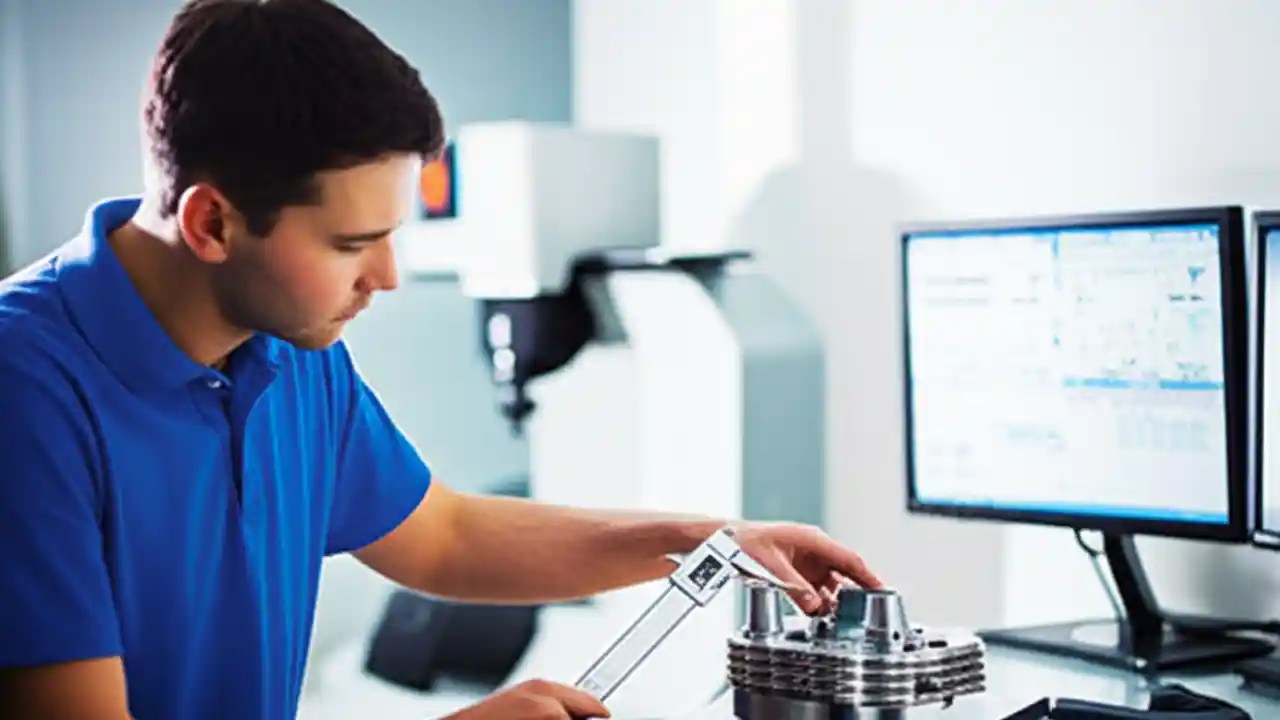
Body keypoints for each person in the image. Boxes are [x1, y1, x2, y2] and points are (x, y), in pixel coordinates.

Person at [0, 1, 883, 718]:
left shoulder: (285, 347)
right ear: (211, 223)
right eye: (356, 243)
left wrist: (707, 541)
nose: (385, 276)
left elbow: (440, 535)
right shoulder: (25, 390)